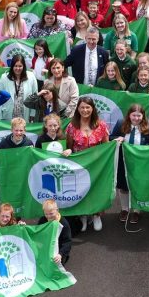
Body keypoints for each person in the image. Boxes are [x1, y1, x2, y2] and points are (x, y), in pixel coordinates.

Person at [66, 96, 110, 231]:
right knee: (81, 190)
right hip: (79, 166)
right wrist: (67, 151)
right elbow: (69, 146)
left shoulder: (101, 125)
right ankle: (83, 216)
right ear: (78, 109)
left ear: (93, 109)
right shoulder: (72, 126)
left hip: (97, 165)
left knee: (96, 190)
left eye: (88, 107)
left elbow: (106, 147)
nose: (85, 110)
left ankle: (96, 215)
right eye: (82, 107)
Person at [112, 103, 149, 224]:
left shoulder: (148, 127)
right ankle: (124, 209)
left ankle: (136, 210)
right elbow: (110, 137)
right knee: (123, 186)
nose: (136, 118)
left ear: (143, 116)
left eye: (139, 116)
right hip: (123, 161)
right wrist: (118, 138)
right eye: (134, 115)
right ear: (129, 115)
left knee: (137, 186)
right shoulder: (120, 124)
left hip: (140, 163)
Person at [0, 55, 38, 121]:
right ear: (12, 66)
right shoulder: (4, 77)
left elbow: (35, 97)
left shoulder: (31, 76)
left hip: (25, 116)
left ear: (24, 66)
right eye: (15, 66)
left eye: (20, 66)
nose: (18, 68)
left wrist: (32, 114)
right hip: (8, 115)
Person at [37, 199, 72, 264]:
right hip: (47, 247)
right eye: (46, 214)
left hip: (59, 250)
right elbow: (36, 232)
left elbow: (67, 241)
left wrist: (60, 254)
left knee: (55, 266)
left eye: (51, 213)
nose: (49, 216)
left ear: (57, 210)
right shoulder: (42, 220)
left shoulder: (63, 223)